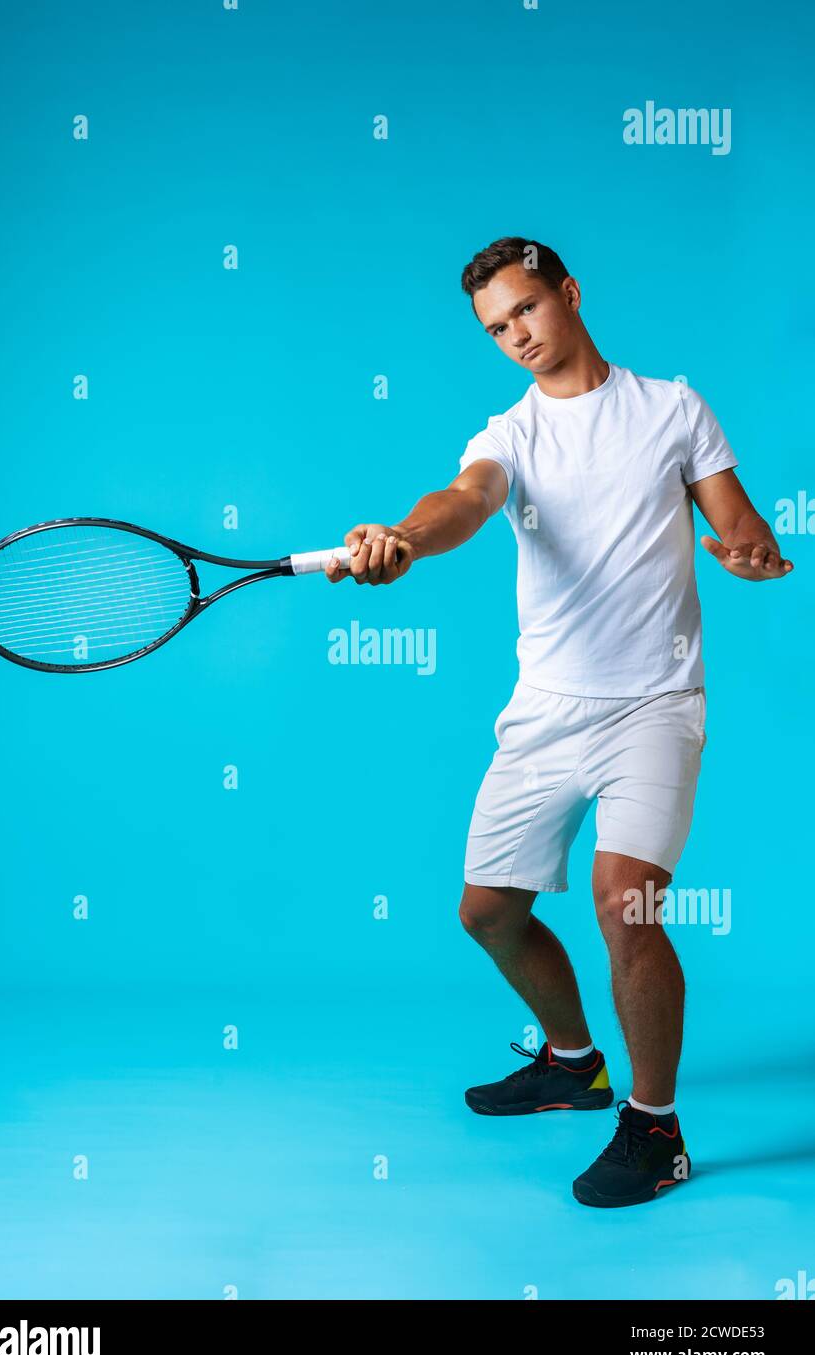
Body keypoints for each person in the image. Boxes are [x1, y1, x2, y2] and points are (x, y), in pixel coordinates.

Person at [325, 236, 793, 1208]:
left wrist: (747, 550)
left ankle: (654, 1129)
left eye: (524, 310)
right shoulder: (506, 436)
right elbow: (459, 501)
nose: (514, 336)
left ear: (568, 293)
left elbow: (737, 526)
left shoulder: (671, 406)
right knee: (486, 912)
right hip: (542, 712)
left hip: (653, 706)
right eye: (495, 328)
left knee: (624, 902)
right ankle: (572, 1064)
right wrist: (402, 540)